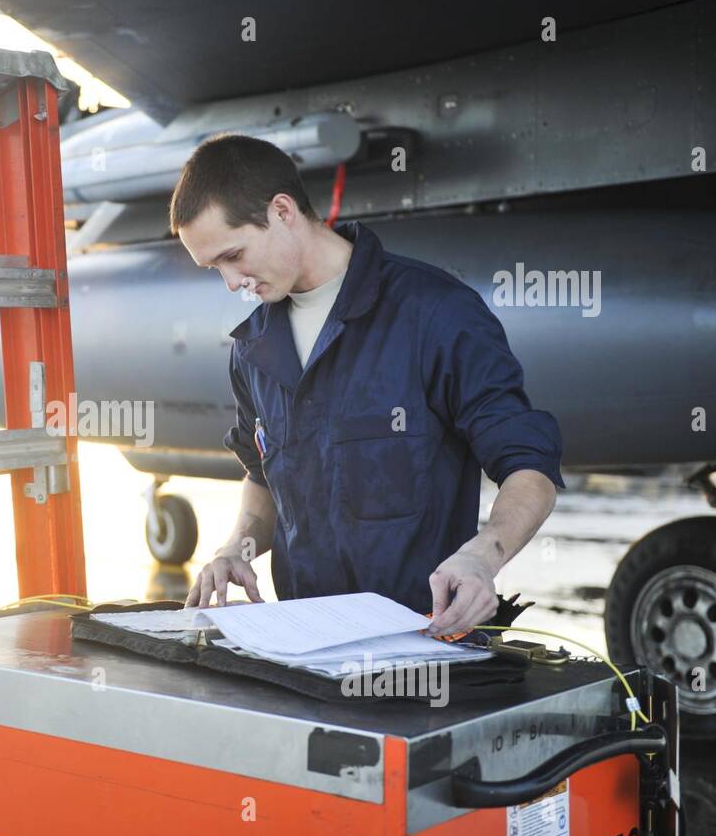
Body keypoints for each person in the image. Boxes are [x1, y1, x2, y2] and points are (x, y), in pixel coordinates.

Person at [170, 133, 564, 638]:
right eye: (215, 268)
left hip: (427, 650)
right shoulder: (253, 350)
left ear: (283, 212)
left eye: (234, 255)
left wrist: (481, 558)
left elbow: (530, 466)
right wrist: (235, 549)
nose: (231, 282)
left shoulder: (435, 314)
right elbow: (264, 475)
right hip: (304, 650)